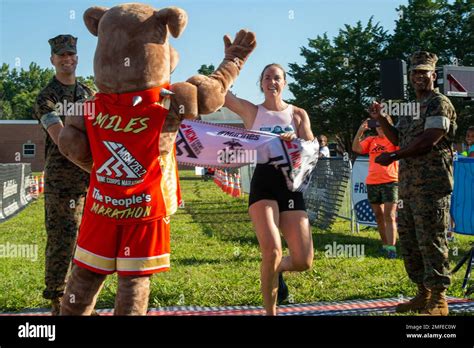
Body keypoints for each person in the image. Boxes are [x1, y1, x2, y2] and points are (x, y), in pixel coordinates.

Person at [224, 63, 314, 315]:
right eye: (267, 78)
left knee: (303, 261)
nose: (272, 82)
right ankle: (270, 312)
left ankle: (279, 270)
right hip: (264, 180)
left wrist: (294, 141)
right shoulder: (252, 111)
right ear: (261, 83)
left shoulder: (298, 114)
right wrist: (231, 62)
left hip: (291, 184)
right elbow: (223, 94)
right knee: (272, 249)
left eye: (277, 78)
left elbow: (312, 149)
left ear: (284, 83)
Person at [373, 51, 457, 316]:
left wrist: (395, 156)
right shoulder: (409, 107)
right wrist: (382, 119)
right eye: (415, 72)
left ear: (434, 75)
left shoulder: (439, 103)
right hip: (409, 186)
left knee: (431, 241)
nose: (419, 76)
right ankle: (422, 294)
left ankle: (439, 298)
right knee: (410, 242)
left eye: (424, 72)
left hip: (432, 186)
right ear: (409, 77)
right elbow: (399, 138)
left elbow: (429, 138)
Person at [32, 35, 93, 315]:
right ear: (52, 60)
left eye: (71, 54)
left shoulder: (89, 94)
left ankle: (80, 299)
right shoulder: (47, 98)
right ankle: (57, 300)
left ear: (77, 58)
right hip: (62, 183)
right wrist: (96, 170)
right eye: (61, 56)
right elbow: (62, 141)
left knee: (89, 242)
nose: (67, 59)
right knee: (62, 240)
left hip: (90, 182)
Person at [352, 117, 399, 258]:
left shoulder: (394, 139)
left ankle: (392, 248)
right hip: (372, 182)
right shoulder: (371, 140)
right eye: (376, 125)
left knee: (389, 215)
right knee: (379, 215)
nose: (379, 127)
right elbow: (356, 148)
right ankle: (385, 245)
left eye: (382, 124)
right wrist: (360, 131)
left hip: (390, 181)